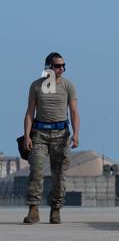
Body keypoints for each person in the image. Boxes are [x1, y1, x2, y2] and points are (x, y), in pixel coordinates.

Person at [21, 52, 79, 225]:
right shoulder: (36, 86)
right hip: (39, 134)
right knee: (36, 170)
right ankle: (33, 210)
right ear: (48, 66)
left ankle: (55, 210)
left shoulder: (69, 86)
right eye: (57, 66)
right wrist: (26, 136)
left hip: (61, 135)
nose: (61, 69)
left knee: (59, 174)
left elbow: (74, 111)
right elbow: (30, 112)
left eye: (63, 66)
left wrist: (76, 134)